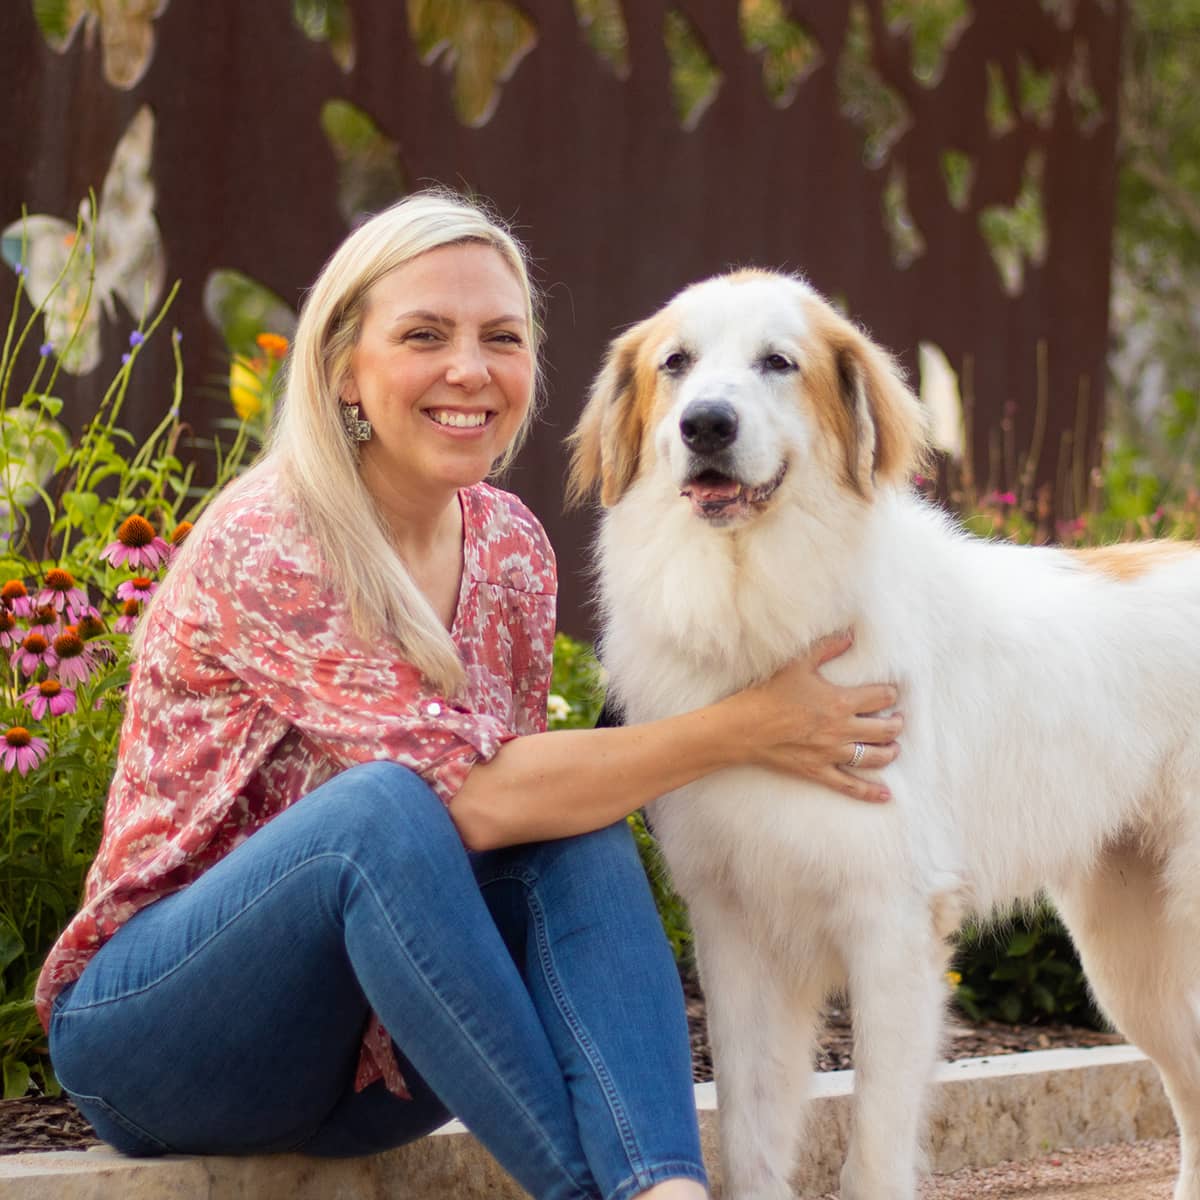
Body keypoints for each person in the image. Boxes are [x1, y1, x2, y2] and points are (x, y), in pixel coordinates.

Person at [36, 191, 902, 1200]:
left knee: (571, 816)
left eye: (502, 336)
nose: (470, 369)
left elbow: (521, 820)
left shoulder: (508, 547)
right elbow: (468, 797)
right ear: (344, 367)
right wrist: (749, 725)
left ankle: (663, 1190)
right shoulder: (274, 538)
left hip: (374, 1067)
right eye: (424, 336)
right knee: (381, 809)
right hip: (165, 1043)